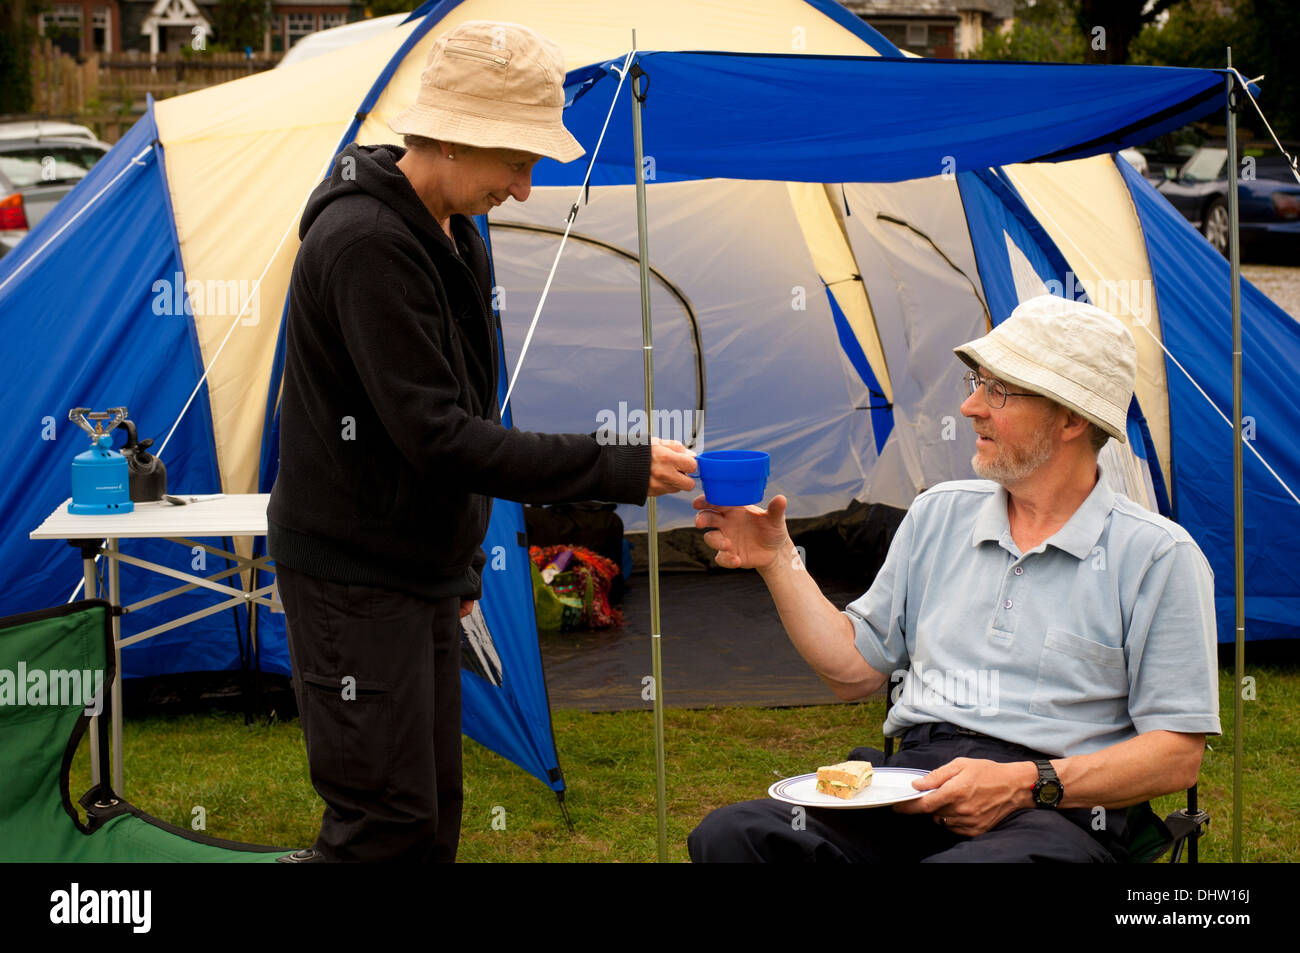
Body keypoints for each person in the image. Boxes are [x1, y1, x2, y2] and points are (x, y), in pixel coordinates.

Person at [268, 20, 697, 863]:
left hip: (416, 573)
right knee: (380, 827)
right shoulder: (366, 243)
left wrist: (457, 564)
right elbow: (440, 436)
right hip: (353, 579)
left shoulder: (450, 229)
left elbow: (464, 407)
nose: (528, 190)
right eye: (521, 163)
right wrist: (619, 465)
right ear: (461, 138)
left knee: (428, 818)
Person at [687, 295, 1220, 863]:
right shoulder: (938, 513)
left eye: (1000, 391)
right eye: (977, 383)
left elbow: (1175, 755)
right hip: (913, 787)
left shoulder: (1157, 556)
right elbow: (852, 671)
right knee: (732, 837)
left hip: (1053, 808)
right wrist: (777, 558)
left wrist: (1022, 782)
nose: (970, 407)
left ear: (1072, 418)